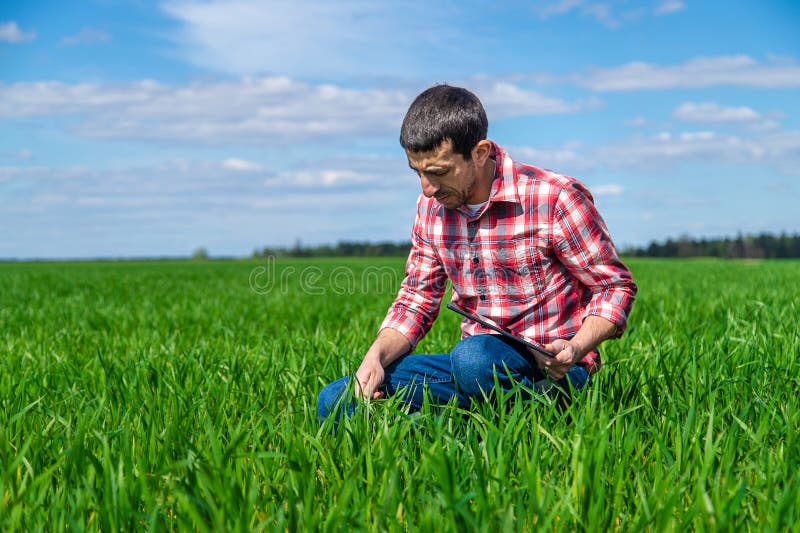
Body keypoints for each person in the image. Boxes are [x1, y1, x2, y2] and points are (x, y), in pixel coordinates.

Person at [318, 84, 637, 425]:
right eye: (418, 172)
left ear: (480, 152)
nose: (427, 188)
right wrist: (376, 357)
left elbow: (613, 287)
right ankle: (468, 426)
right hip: (474, 371)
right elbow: (417, 300)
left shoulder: (554, 197)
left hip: (556, 372)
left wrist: (575, 348)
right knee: (336, 400)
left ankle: (515, 425)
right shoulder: (431, 208)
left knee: (475, 358)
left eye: (439, 172)